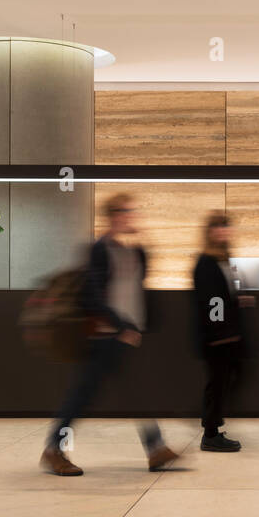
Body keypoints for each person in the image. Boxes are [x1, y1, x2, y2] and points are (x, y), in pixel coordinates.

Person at [41, 193, 177, 476]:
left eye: (132, 211)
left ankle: (156, 448)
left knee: (134, 392)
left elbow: (138, 283)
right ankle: (54, 450)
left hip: (126, 335)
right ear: (113, 215)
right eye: (125, 211)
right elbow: (91, 296)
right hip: (105, 336)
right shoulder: (99, 249)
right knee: (83, 395)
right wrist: (120, 324)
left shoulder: (130, 250)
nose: (131, 216)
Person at [192, 212, 253, 452]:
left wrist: (239, 301)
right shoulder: (206, 262)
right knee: (218, 383)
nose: (222, 231)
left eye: (225, 226)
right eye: (216, 227)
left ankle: (213, 425)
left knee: (226, 379)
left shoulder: (223, 260)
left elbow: (224, 295)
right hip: (218, 336)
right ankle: (210, 434)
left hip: (225, 333)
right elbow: (211, 301)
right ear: (209, 232)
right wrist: (220, 332)